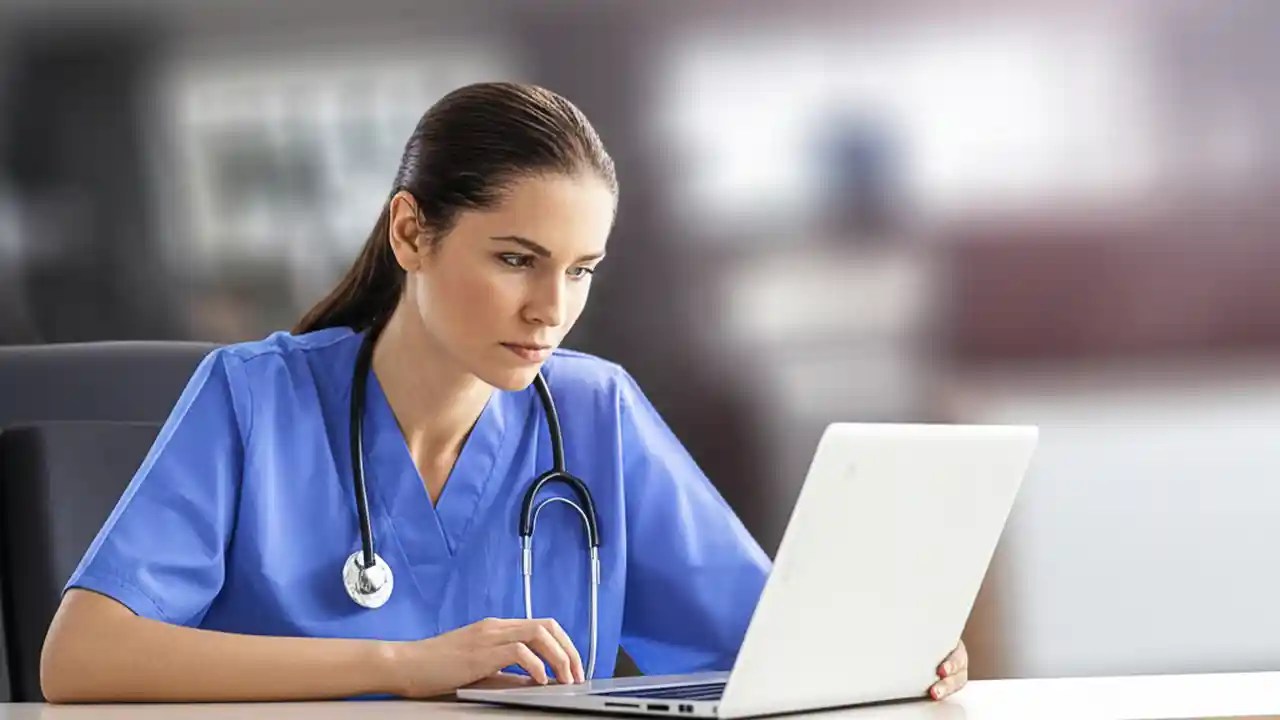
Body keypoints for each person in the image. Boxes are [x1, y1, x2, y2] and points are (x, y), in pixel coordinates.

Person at [39, 82, 968, 703]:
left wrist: (891, 657)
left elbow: (770, 650)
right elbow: (79, 660)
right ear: (412, 233)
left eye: (581, 270)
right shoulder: (254, 399)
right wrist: (406, 665)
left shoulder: (596, 413)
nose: (550, 308)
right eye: (516, 260)